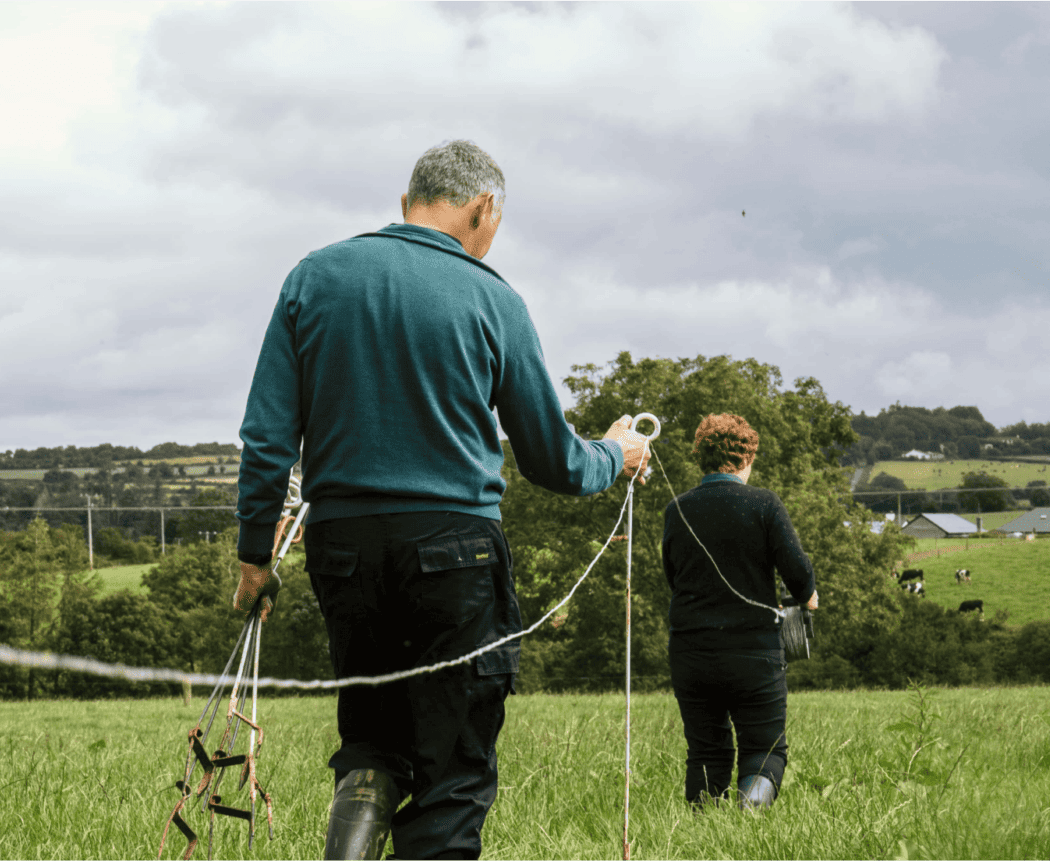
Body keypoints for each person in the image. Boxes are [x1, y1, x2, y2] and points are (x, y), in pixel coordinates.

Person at [231, 140, 650, 861]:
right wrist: (616, 453)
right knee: (452, 771)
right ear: (484, 209)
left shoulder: (313, 276)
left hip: (343, 551)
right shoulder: (494, 298)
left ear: (407, 204)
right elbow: (553, 461)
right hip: (456, 554)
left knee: (371, 741)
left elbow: (267, 439)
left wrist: (253, 560)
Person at [660, 413, 820, 810]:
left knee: (705, 750)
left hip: (691, 652)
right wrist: (808, 596)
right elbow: (797, 571)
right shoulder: (764, 504)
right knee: (765, 750)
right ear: (746, 457)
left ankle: (704, 831)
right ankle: (749, 819)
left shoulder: (676, 509)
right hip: (754, 650)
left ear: (701, 457)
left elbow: (673, 576)